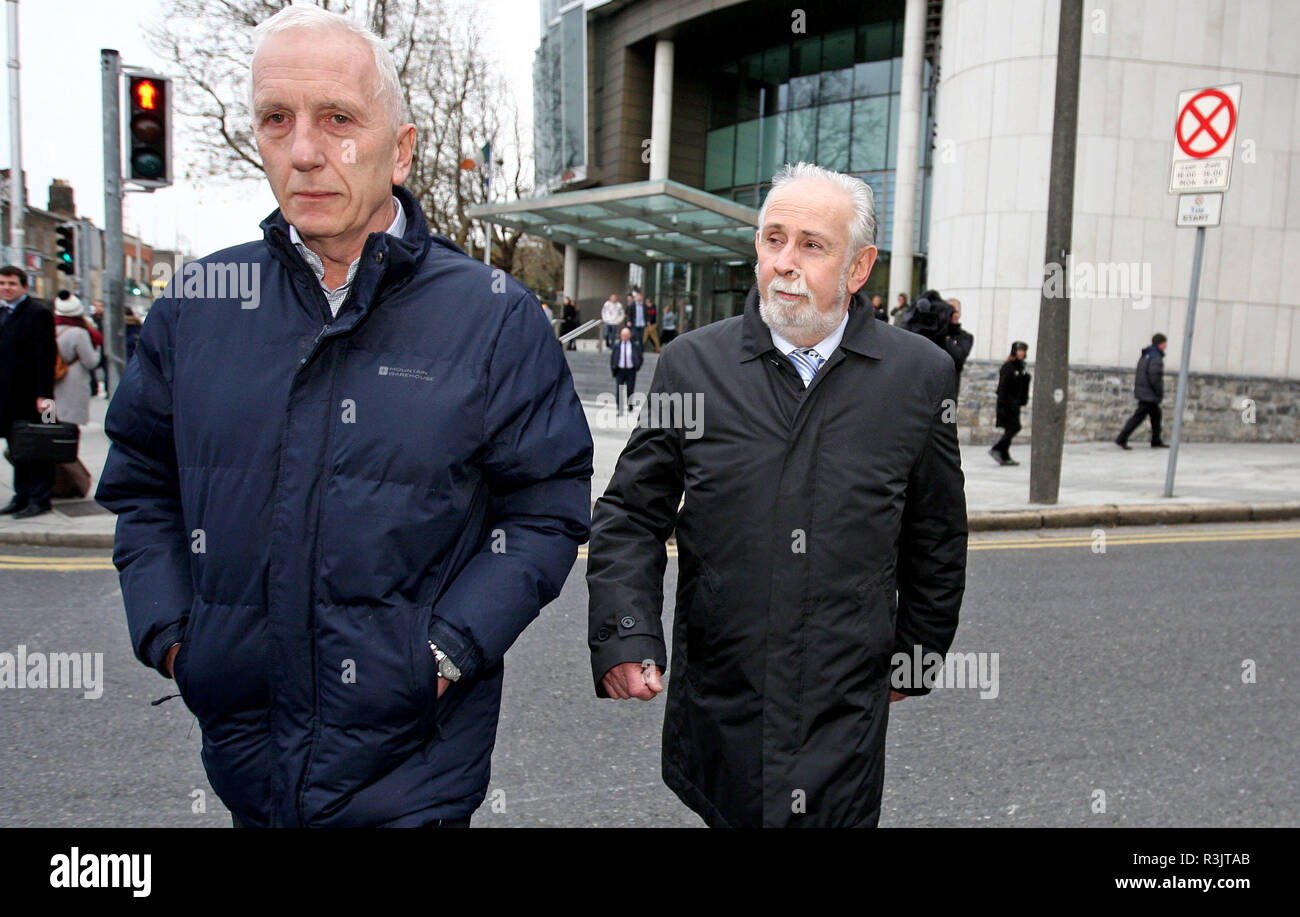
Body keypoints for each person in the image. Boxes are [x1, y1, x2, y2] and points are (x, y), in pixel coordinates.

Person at [94, 5, 593, 829]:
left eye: (337, 119)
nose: (303, 150)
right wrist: (180, 638)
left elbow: (545, 508)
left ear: (399, 148)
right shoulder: (196, 307)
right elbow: (142, 489)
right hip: (247, 767)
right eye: (276, 119)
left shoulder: (495, 317)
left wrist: (443, 653)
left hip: (415, 773)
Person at [587, 162, 967, 828]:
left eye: (811, 245)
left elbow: (937, 534)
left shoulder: (920, 376)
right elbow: (630, 512)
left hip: (843, 717)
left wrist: (918, 653)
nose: (783, 262)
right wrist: (626, 632)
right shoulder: (691, 367)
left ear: (858, 267)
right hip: (723, 705)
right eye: (772, 239)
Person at [0, 266, 56, 519]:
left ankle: (40, 498)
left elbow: (46, 356)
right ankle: (21, 495)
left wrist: (44, 395)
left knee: (38, 447)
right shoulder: (3, 312)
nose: (6, 288)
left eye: (12, 283)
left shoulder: (38, 313)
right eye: (2, 283)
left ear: (24, 286)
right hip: (7, 395)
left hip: (32, 396)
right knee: (18, 448)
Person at [53, 294, 100, 429]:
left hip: (52, 378)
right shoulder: (79, 333)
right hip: (73, 380)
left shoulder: (48, 327)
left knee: (50, 420)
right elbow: (91, 362)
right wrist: (97, 351)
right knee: (70, 424)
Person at [1116, 333, 1169, 449]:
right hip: (1149, 393)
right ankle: (1122, 438)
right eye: (1165, 343)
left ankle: (1156, 440)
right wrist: (1158, 392)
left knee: (1156, 415)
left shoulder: (1147, 355)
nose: (1166, 345)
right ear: (1160, 343)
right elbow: (1154, 376)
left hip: (1144, 391)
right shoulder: (1155, 357)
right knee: (1139, 417)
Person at [990, 341, 1031, 466]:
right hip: (1007, 404)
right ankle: (997, 448)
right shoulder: (1009, 367)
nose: (1021, 353)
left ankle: (1004, 454)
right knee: (1014, 427)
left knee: (1011, 428)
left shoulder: (1021, 367)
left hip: (1015, 404)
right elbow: (1002, 387)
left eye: (1023, 350)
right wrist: (1002, 404)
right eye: (1019, 350)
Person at [941, 297, 974, 386]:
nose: (952, 314)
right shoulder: (934, 333)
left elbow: (958, 357)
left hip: (949, 390)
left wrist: (947, 338)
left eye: (955, 311)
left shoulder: (966, 337)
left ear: (959, 314)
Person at [610, 325, 643, 411]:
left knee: (630, 389)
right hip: (620, 370)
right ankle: (619, 407)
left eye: (626, 335)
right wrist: (613, 367)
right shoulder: (617, 346)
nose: (624, 337)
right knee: (619, 389)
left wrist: (637, 365)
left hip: (630, 370)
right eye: (622, 335)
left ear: (629, 335)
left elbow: (640, 357)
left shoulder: (634, 345)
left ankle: (630, 406)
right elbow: (613, 357)